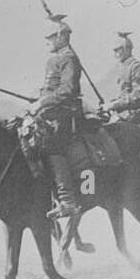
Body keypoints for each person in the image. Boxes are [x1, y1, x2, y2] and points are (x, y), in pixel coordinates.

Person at [31, 19, 85, 218]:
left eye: (51, 37)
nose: (48, 41)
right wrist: (39, 101)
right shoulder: (54, 58)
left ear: (62, 37)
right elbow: (51, 88)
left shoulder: (68, 57)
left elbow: (68, 89)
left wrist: (43, 102)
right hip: (52, 111)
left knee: (51, 147)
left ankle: (67, 200)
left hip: (65, 113)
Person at [102, 31, 140, 128]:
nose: (115, 54)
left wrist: (114, 105)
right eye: (114, 51)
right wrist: (111, 104)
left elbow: (137, 96)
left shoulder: (136, 67)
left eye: (117, 50)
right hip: (128, 115)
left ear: (127, 49)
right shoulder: (123, 67)